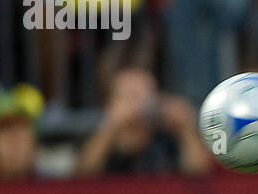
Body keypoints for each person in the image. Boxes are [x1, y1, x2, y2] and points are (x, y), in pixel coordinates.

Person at [77, 66, 210, 175]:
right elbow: (84, 173)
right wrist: (110, 126)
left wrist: (186, 129)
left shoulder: (166, 138)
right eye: (130, 96)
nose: (138, 104)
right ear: (111, 102)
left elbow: (199, 173)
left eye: (145, 95)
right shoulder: (100, 139)